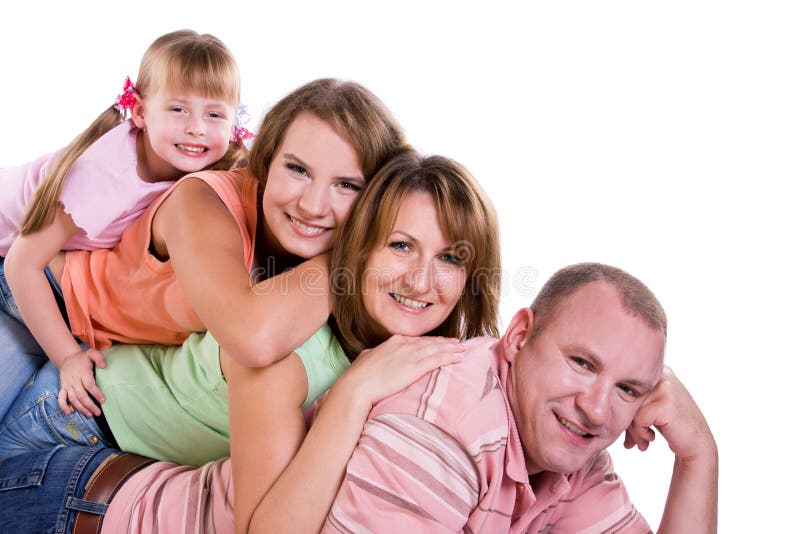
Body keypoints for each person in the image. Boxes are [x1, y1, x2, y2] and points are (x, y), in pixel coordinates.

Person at [0, 150, 504, 533]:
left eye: (452, 258)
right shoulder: (294, 347)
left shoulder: (426, 357)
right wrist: (353, 395)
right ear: (361, 245)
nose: (421, 281)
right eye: (401, 246)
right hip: (75, 420)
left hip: (125, 438)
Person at [0, 79, 408, 464]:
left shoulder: (305, 242)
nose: (313, 205)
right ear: (265, 162)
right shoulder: (203, 202)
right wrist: (356, 250)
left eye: (348, 186)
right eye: (297, 170)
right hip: (42, 297)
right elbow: (252, 338)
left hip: (96, 339)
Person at [322, 262, 718, 533]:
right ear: (518, 336)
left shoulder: (573, 455)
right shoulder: (449, 428)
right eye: (582, 363)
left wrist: (698, 457)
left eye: (627, 389)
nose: (596, 410)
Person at [0, 29, 246, 423]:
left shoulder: (193, 162)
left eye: (214, 114)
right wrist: (68, 358)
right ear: (141, 112)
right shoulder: (105, 176)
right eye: (178, 110)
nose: (197, 128)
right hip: (15, 267)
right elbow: (20, 264)